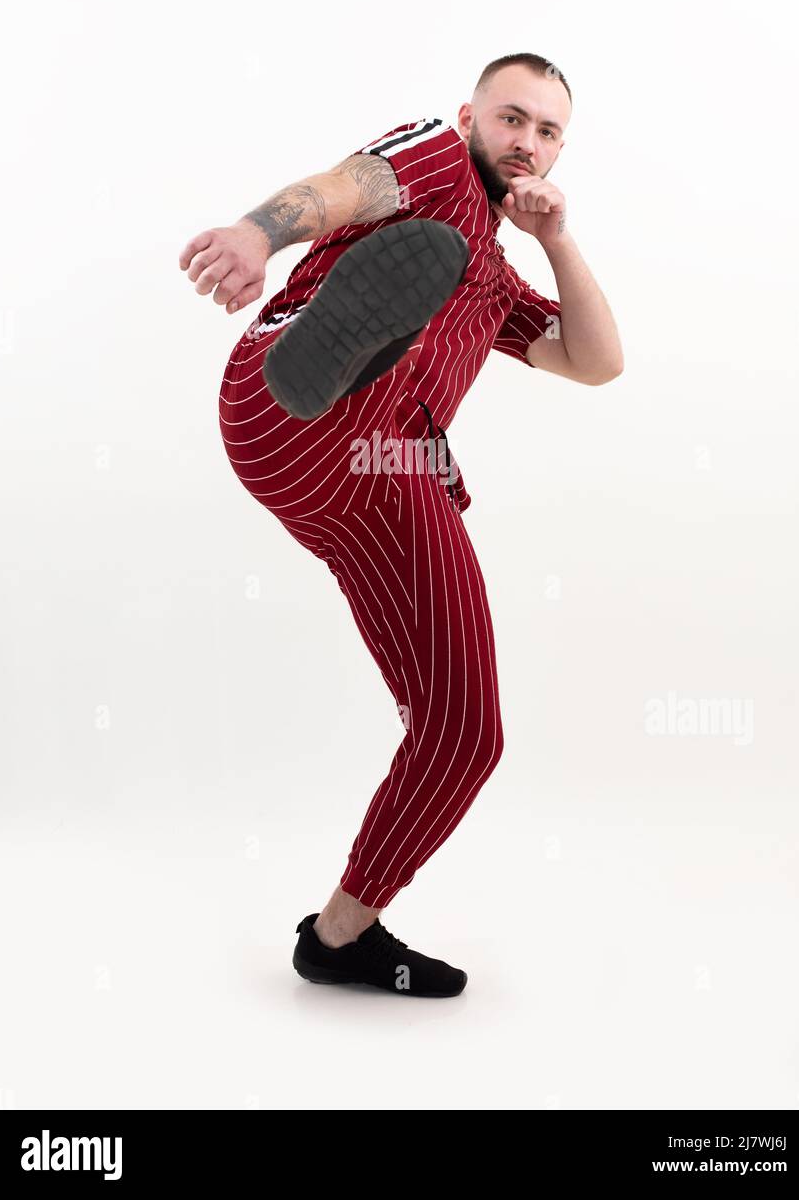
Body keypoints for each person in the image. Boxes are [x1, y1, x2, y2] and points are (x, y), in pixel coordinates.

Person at [179, 53, 623, 996]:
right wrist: (259, 235)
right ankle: (332, 350)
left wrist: (557, 242)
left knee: (463, 730)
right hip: (288, 408)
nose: (526, 141)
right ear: (472, 114)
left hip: (376, 482)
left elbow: (598, 361)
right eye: (512, 117)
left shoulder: (498, 285)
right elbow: (341, 189)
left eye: (548, 133)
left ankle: (341, 937)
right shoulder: (434, 157)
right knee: (390, 313)